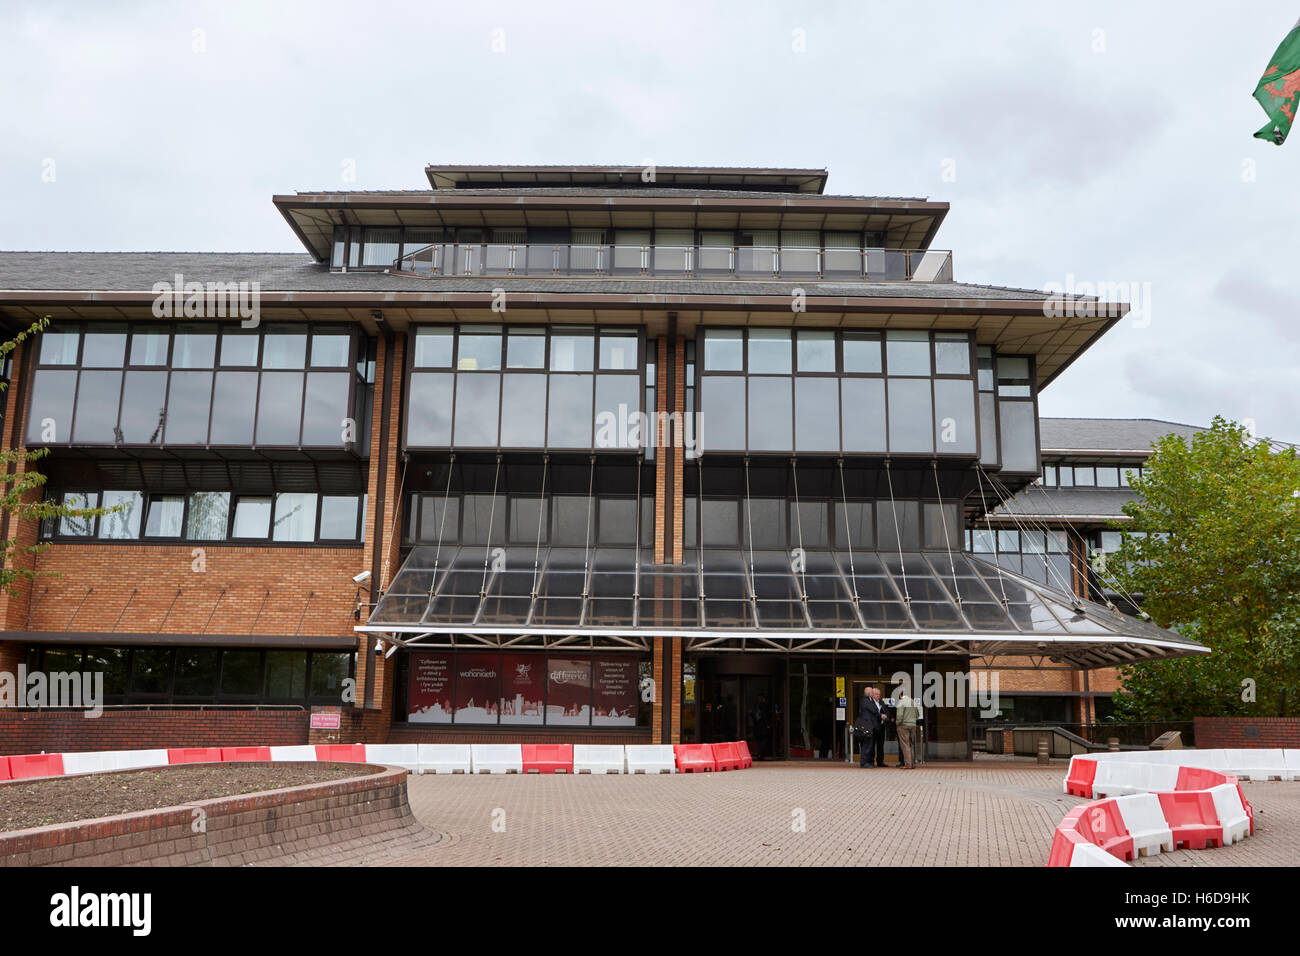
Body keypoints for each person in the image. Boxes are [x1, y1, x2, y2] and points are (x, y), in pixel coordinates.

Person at [855, 687, 882, 768]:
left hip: (868, 725)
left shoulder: (867, 700)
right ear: (868, 693)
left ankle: (868, 761)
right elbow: (874, 710)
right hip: (866, 725)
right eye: (871, 692)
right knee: (866, 744)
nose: (873, 693)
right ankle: (864, 762)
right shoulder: (865, 700)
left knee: (868, 744)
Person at [895, 690, 919, 768]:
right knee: (911, 744)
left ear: (900, 695)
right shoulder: (913, 702)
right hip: (913, 725)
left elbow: (899, 715)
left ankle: (908, 764)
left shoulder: (901, 702)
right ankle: (912, 764)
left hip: (903, 725)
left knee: (905, 745)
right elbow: (917, 714)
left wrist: (897, 723)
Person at [867, 687, 889, 768]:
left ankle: (880, 761)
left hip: (881, 727)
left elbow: (887, 711)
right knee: (872, 745)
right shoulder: (870, 703)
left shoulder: (882, 702)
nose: (878, 696)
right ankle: (871, 761)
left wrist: (886, 717)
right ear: (872, 694)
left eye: (879, 694)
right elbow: (872, 714)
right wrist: (880, 716)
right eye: (876, 694)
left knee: (880, 745)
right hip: (873, 727)